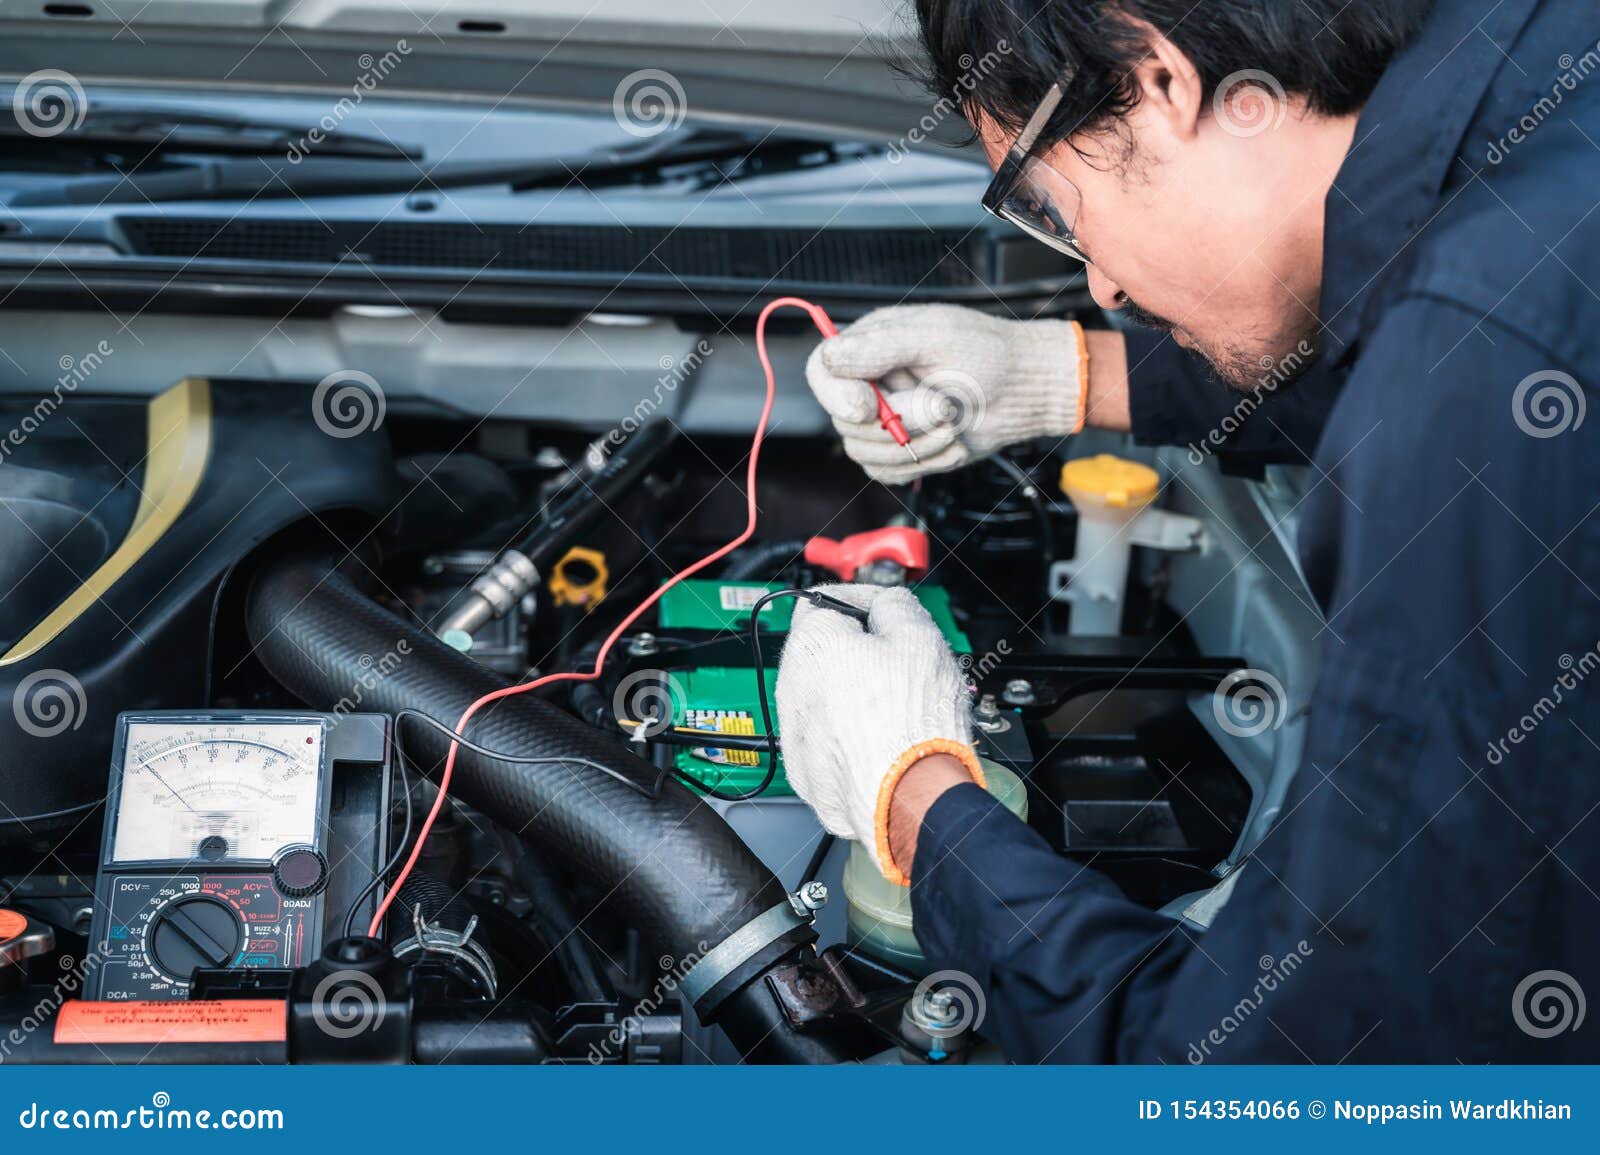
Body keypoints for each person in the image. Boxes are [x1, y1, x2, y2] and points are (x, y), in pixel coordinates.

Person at [775, 0, 1600, 1062]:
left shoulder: (1480, 388)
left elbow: (1281, 1081)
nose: (1098, 284)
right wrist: (1071, 375)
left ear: (1159, 78)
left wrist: (916, 803)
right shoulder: (1545, 92)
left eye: (1051, 208)